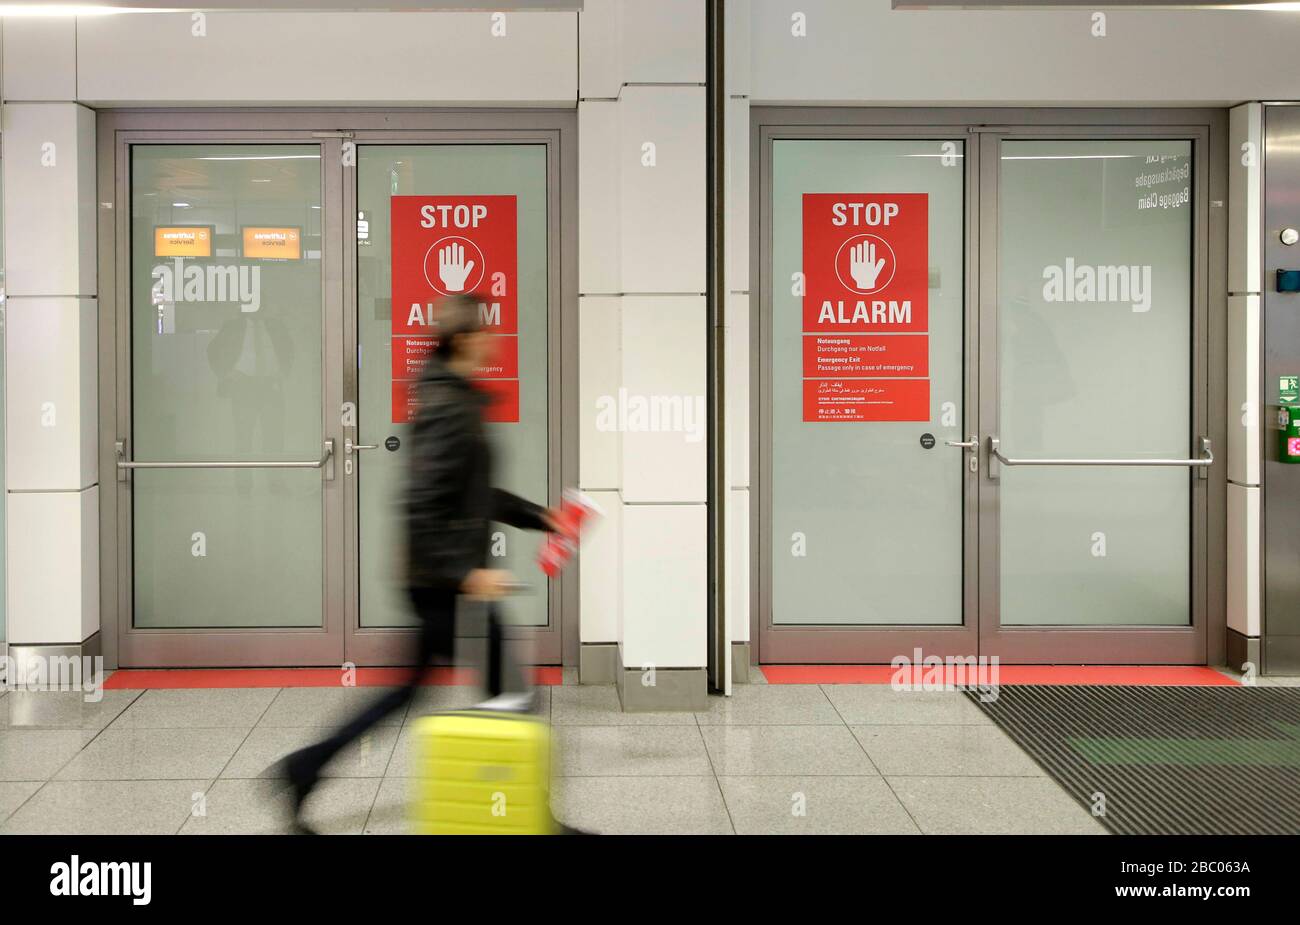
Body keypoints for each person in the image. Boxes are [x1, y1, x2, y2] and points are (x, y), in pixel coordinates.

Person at [276, 293, 559, 833]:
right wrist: (467, 571)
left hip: (439, 581)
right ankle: (526, 813)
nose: (495, 340)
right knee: (514, 694)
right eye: (487, 332)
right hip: (444, 584)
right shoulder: (446, 405)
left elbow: (472, 492)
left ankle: (304, 767)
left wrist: (538, 516)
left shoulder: (453, 396)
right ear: (465, 340)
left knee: (413, 690)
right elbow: (422, 502)